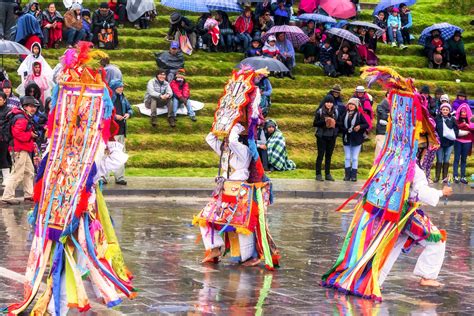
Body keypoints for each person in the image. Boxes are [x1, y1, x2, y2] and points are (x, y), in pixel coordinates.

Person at [1, 96, 39, 205]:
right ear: (25, 107)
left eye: (35, 107)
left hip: (22, 148)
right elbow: (17, 134)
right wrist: (30, 135)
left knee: (29, 171)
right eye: (31, 106)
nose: (33, 109)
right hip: (19, 149)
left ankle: (29, 194)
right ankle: (7, 196)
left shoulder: (22, 116)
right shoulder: (22, 118)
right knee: (18, 173)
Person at [340, 98, 369, 181]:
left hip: (357, 139)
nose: (351, 106)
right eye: (349, 104)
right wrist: (345, 130)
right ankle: (347, 175)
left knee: (355, 158)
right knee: (347, 157)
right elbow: (340, 125)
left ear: (356, 106)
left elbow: (366, 125)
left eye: (352, 104)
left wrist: (359, 127)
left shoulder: (360, 115)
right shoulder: (344, 114)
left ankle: (354, 176)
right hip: (347, 139)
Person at [110, 79, 132, 185]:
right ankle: (103, 177)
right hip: (111, 131)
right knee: (107, 153)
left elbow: (129, 109)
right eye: (120, 87)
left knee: (120, 154)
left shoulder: (123, 97)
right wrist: (114, 116)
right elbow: (105, 112)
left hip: (121, 130)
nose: (122, 88)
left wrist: (128, 114)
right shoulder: (109, 99)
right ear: (115, 88)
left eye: (122, 87)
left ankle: (120, 177)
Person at [313, 95, 339, 181]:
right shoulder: (320, 111)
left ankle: (327, 174)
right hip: (321, 136)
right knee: (320, 155)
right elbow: (315, 123)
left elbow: (339, 123)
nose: (329, 104)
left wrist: (334, 123)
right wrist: (324, 121)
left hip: (332, 136)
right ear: (324, 103)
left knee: (329, 155)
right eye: (327, 102)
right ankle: (318, 174)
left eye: (331, 102)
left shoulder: (336, 112)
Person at [434, 103, 458, 183]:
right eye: (443, 109)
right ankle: (437, 177)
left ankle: (444, 177)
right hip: (440, 143)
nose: (445, 111)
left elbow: (456, 129)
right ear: (441, 110)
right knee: (439, 159)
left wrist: (453, 135)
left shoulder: (452, 119)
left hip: (449, 143)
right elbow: (434, 129)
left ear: (449, 111)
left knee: (446, 160)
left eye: (446, 110)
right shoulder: (437, 118)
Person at [452, 103, 473, 184]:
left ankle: (463, 176)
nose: (463, 113)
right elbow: (456, 128)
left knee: (463, 159)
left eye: (465, 112)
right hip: (458, 141)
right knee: (456, 159)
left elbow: (472, 129)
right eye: (462, 112)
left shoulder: (471, 120)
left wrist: (467, 126)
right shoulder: (456, 119)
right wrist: (463, 125)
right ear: (459, 112)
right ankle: (455, 176)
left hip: (467, 142)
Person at [0, 92, 12, 186]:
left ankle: (7, 178)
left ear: (4, 100)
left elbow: (8, 124)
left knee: (3, 157)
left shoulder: (9, 110)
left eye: (0, 99)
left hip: (4, 138)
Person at [375, 92, 390, 158]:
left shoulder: (394, 106)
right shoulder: (380, 106)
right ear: (386, 95)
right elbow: (384, 116)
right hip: (382, 131)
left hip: (390, 131)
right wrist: (389, 115)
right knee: (380, 149)